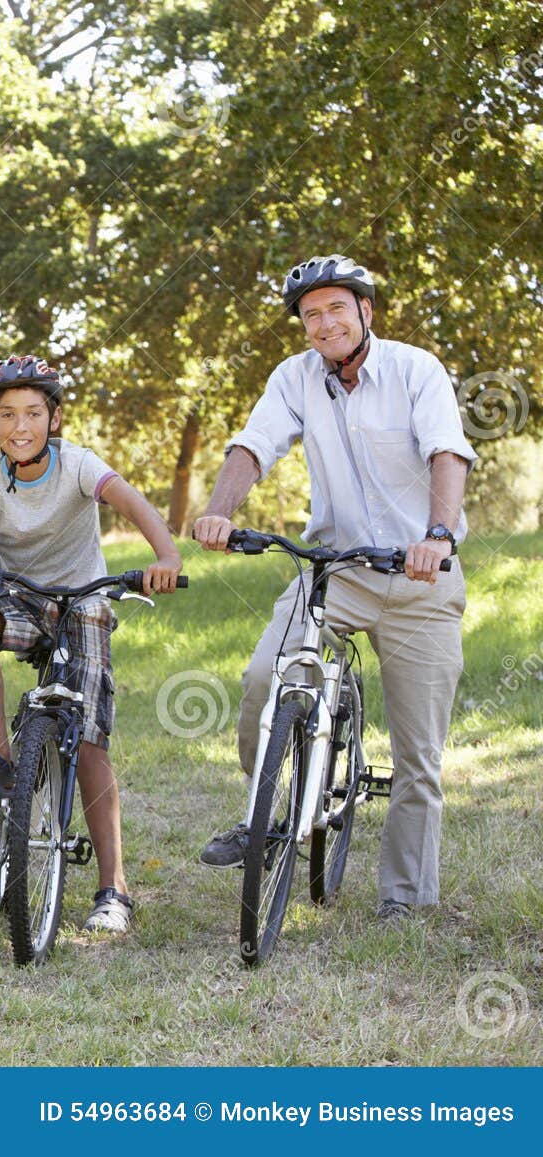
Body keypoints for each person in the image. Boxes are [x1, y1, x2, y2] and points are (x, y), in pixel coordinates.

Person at [194, 254, 474, 924]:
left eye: (336, 309)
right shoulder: (295, 378)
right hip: (337, 569)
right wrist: (219, 509)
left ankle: (402, 898)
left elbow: (447, 451)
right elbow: (252, 446)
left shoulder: (414, 369)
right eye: (311, 314)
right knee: (266, 672)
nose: (323, 323)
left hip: (420, 578)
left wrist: (436, 533)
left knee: (418, 757)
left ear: (365, 311)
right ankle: (261, 815)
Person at [0, 355, 182, 933]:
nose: (20, 426)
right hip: (19, 598)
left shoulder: (77, 465)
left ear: (53, 417)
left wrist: (166, 557)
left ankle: (113, 887)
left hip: (84, 598)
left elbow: (133, 503)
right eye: (6, 415)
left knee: (91, 744)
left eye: (32, 413)